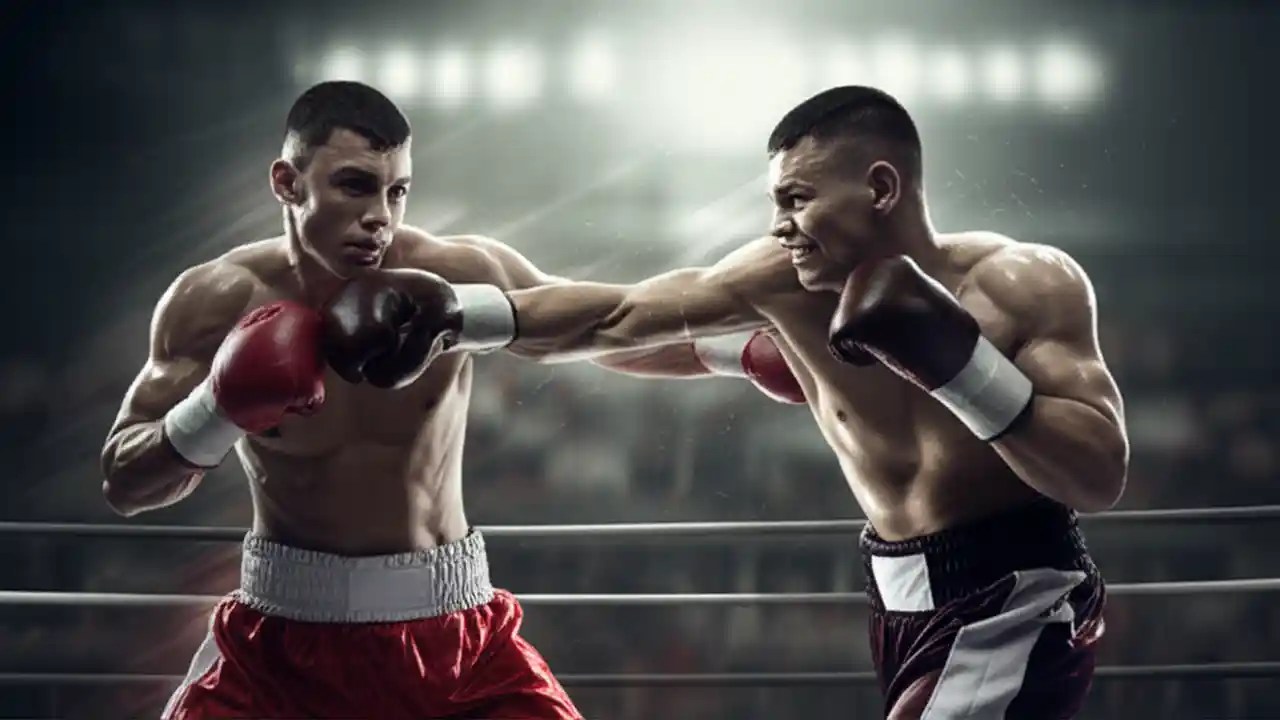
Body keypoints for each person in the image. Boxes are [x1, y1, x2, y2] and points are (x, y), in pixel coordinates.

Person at [398, 86, 1129, 718]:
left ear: (880, 188)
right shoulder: (780, 282)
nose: (780, 224)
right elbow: (617, 320)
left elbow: (1098, 477)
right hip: (901, 602)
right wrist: (461, 316)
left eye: (797, 199)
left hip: (1023, 595)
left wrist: (957, 363)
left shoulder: (1024, 284)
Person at [99, 80, 804, 720]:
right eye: (354, 186)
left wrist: (736, 354)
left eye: (396, 190)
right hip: (280, 644)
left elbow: (602, 331)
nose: (379, 216)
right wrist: (215, 410)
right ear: (287, 182)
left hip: (456, 638)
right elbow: (125, 479)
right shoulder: (213, 300)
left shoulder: (457, 274)